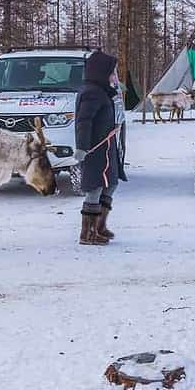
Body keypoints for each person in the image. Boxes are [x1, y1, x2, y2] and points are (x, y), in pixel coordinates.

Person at [74, 50, 127, 245]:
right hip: (95, 149)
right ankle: (87, 233)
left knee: (111, 183)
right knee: (95, 186)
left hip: (107, 147)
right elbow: (84, 121)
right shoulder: (91, 92)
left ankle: (99, 226)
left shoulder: (102, 90)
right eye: (111, 72)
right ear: (100, 72)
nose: (114, 76)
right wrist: (82, 147)